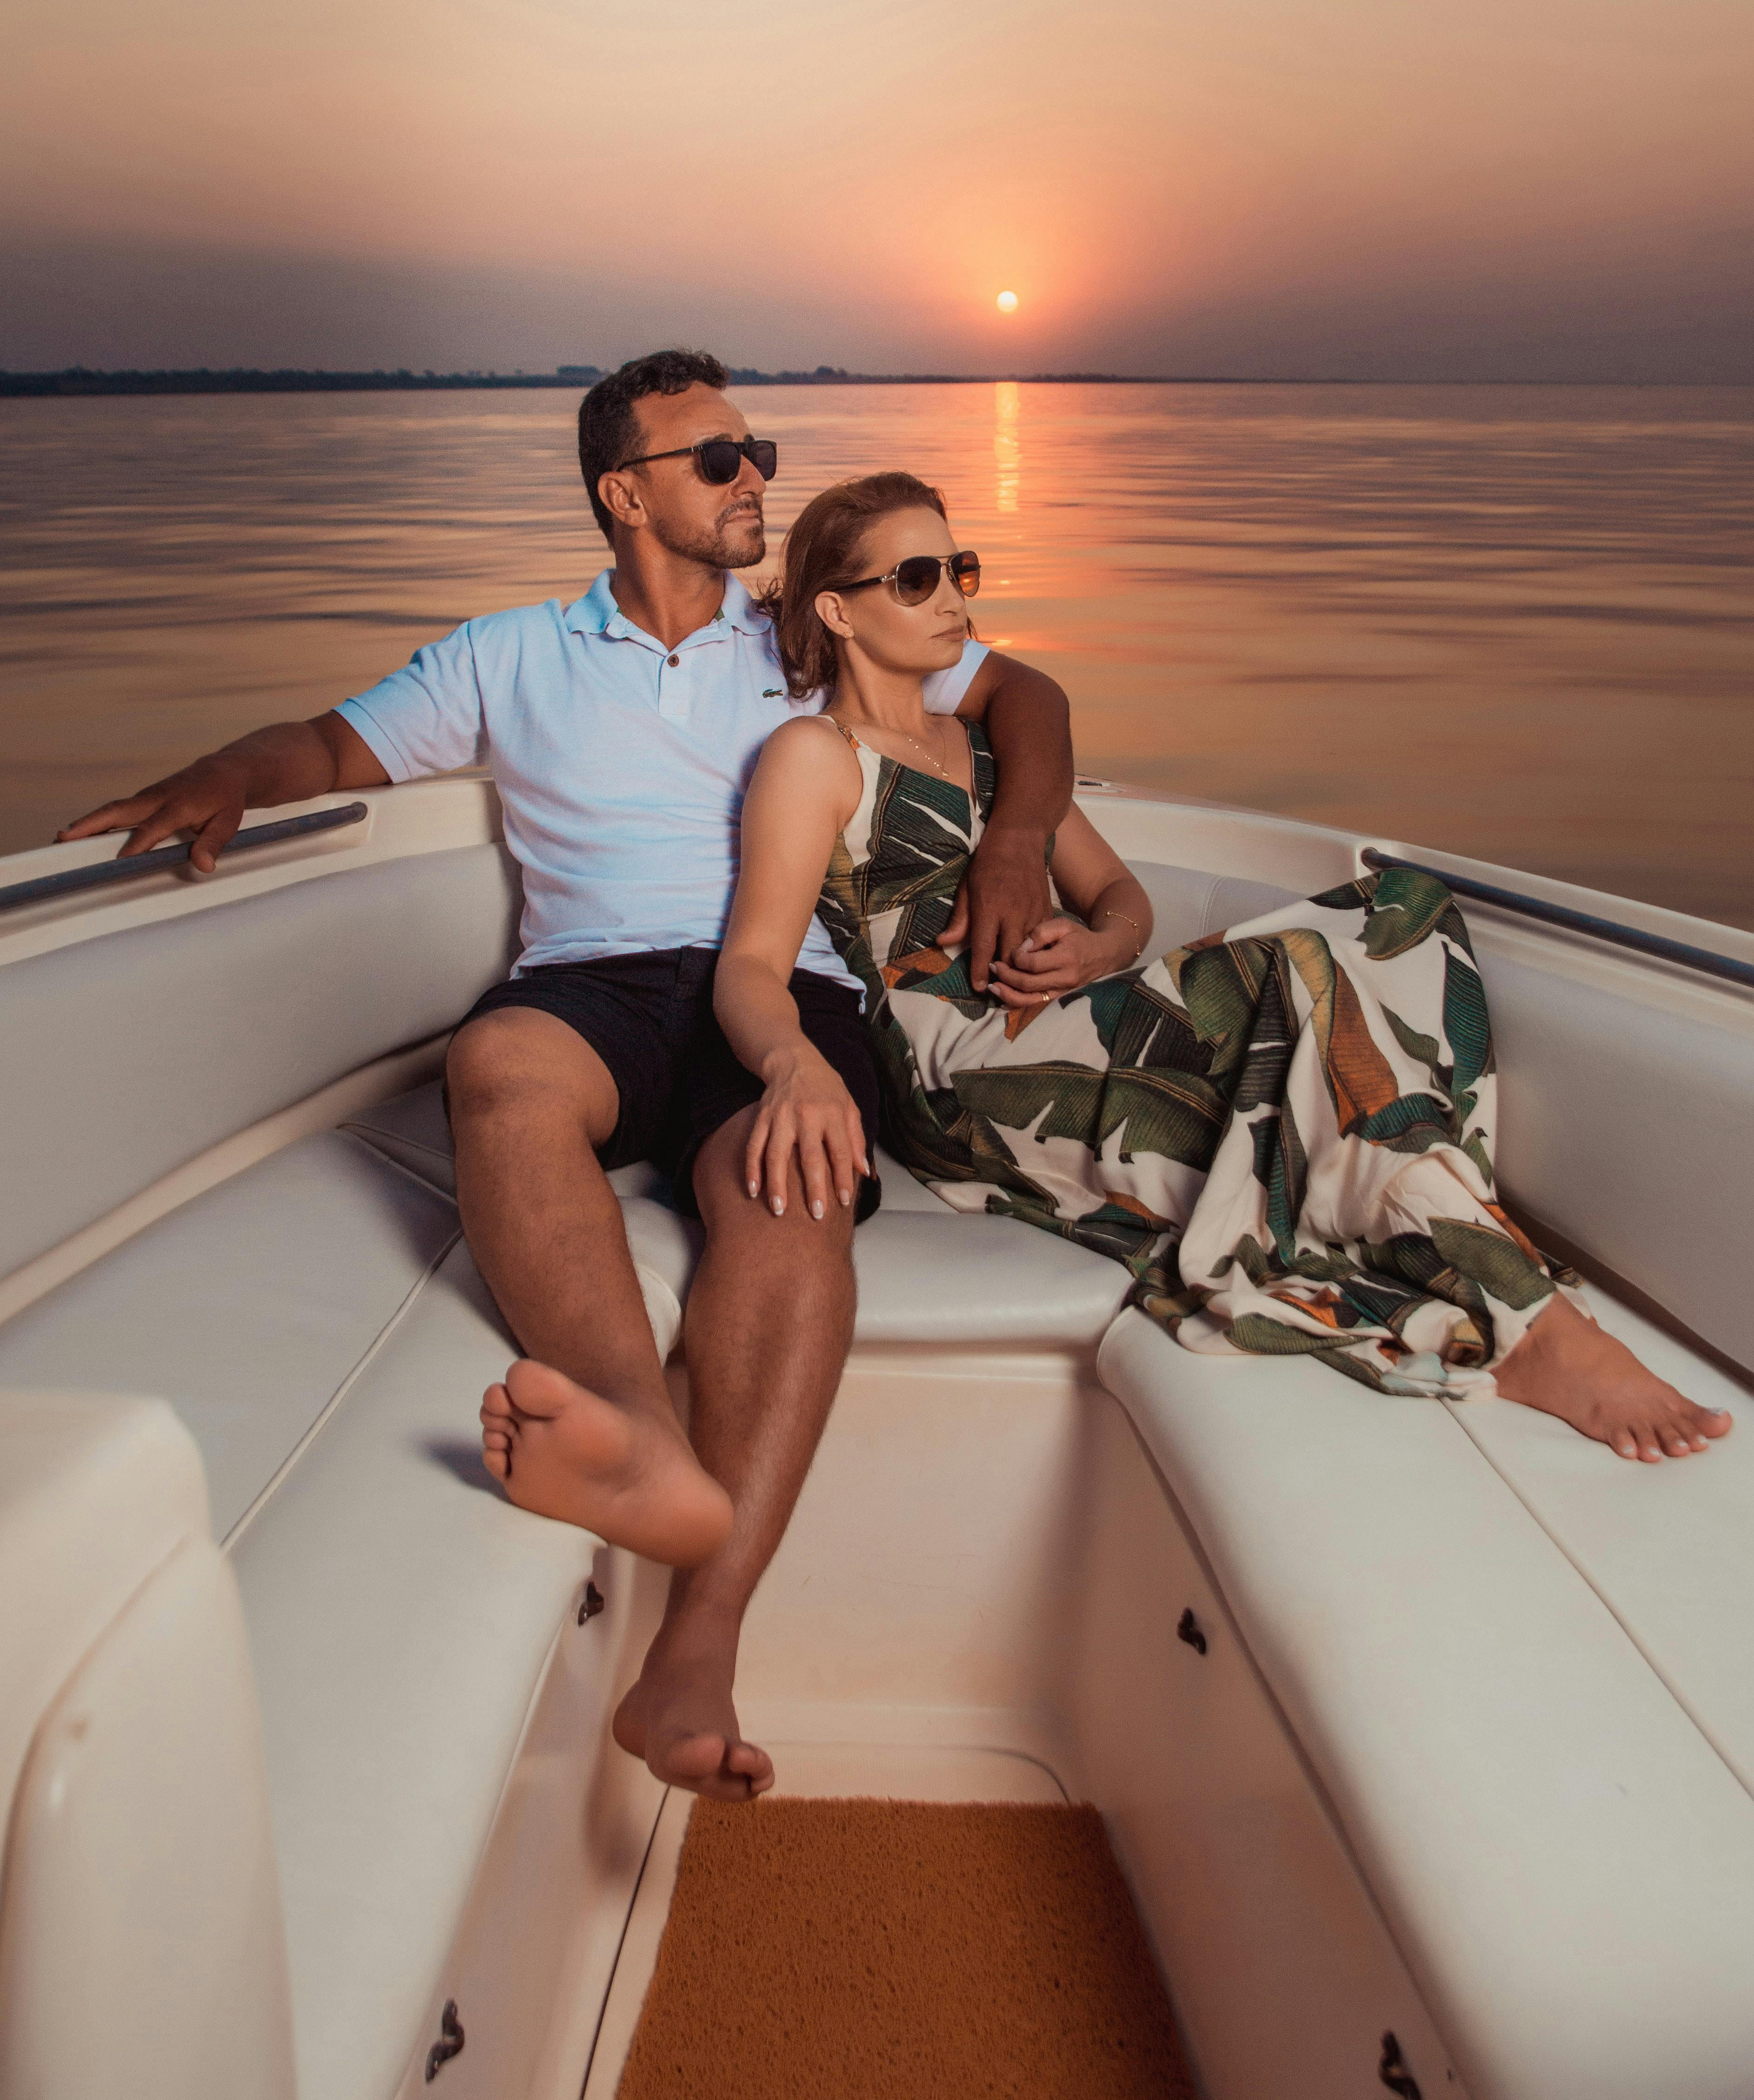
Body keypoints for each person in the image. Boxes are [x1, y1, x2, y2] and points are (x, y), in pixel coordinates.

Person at [58, 353, 1076, 1801]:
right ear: (625, 493)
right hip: (592, 984)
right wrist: (231, 765)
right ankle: (640, 1447)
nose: (756, 480)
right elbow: (334, 742)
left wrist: (1021, 838)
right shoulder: (506, 655)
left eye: (758, 452)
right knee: (498, 1062)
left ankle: (695, 1657)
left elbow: (1022, 695)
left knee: (787, 1196)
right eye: (719, 459)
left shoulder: (804, 638)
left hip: (781, 984)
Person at [716, 471, 1733, 1464]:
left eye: (959, 569)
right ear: (836, 612)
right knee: (1294, 969)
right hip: (959, 1063)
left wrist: (1098, 943)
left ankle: (1448, 1228)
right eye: (915, 578)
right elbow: (753, 963)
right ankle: (1536, 1321)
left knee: (1403, 906)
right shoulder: (817, 754)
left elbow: (1122, 901)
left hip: (1085, 1009)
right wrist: (792, 1065)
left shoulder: (986, 745)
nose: (951, 598)